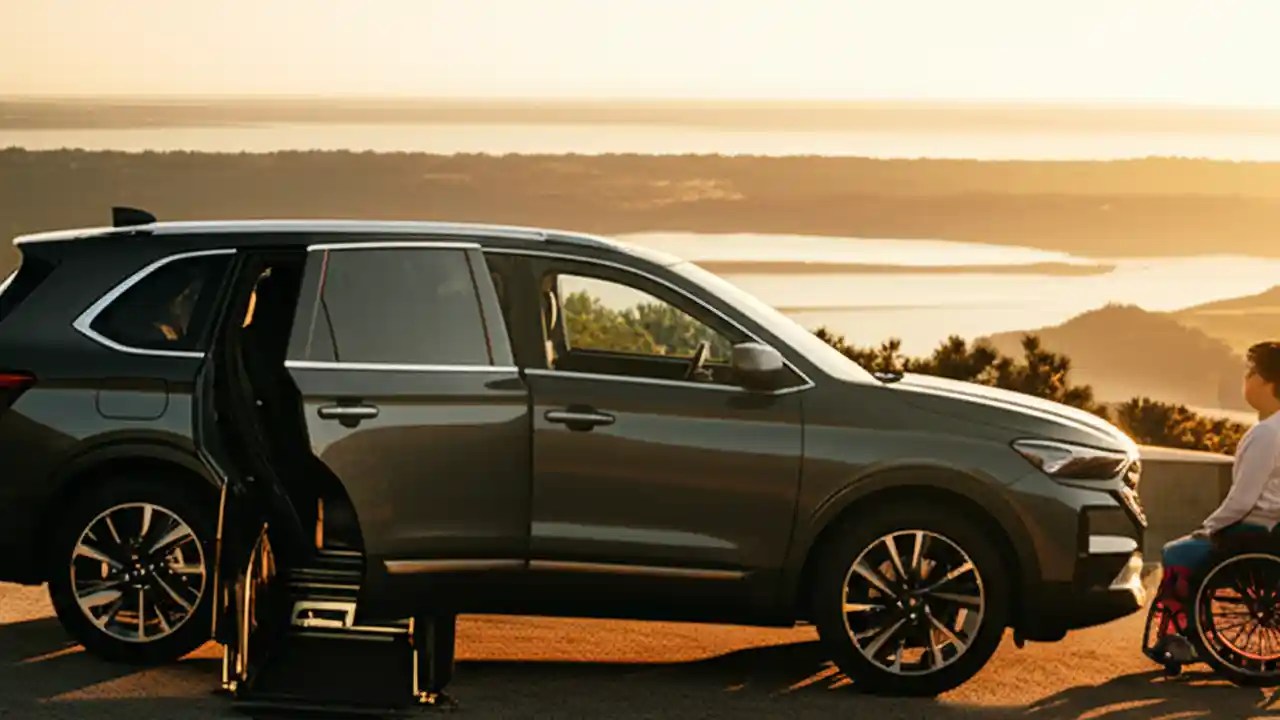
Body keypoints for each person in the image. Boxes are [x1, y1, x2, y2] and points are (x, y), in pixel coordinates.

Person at [1151, 341, 1280, 661]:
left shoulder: (1267, 434)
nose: (1245, 381)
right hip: (1271, 528)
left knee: (1177, 552)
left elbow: (1243, 500)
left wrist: (1208, 528)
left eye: (1249, 373)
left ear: (1265, 381)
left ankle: (1185, 638)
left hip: (1257, 529)